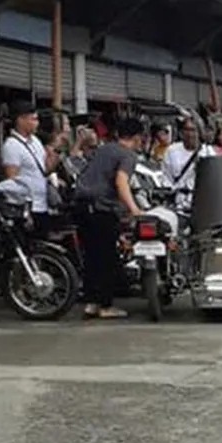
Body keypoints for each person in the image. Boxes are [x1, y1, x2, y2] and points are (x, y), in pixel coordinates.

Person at [71, 117, 143, 320]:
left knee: (92, 257)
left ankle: (91, 304)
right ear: (137, 138)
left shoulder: (103, 149)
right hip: (101, 209)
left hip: (81, 207)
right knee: (108, 258)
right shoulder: (128, 155)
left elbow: (77, 161)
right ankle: (105, 305)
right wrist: (135, 210)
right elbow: (121, 183)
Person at [1, 100, 64, 234]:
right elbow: (12, 180)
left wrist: (56, 151)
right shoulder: (11, 146)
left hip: (42, 206)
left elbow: (45, 170)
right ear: (20, 120)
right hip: (27, 210)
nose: (37, 123)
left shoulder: (35, 141)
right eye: (33, 119)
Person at [164, 117, 215, 211]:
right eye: (186, 130)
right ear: (181, 132)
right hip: (178, 203)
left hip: (201, 203)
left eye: (193, 130)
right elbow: (166, 176)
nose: (190, 134)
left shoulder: (208, 152)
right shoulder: (171, 150)